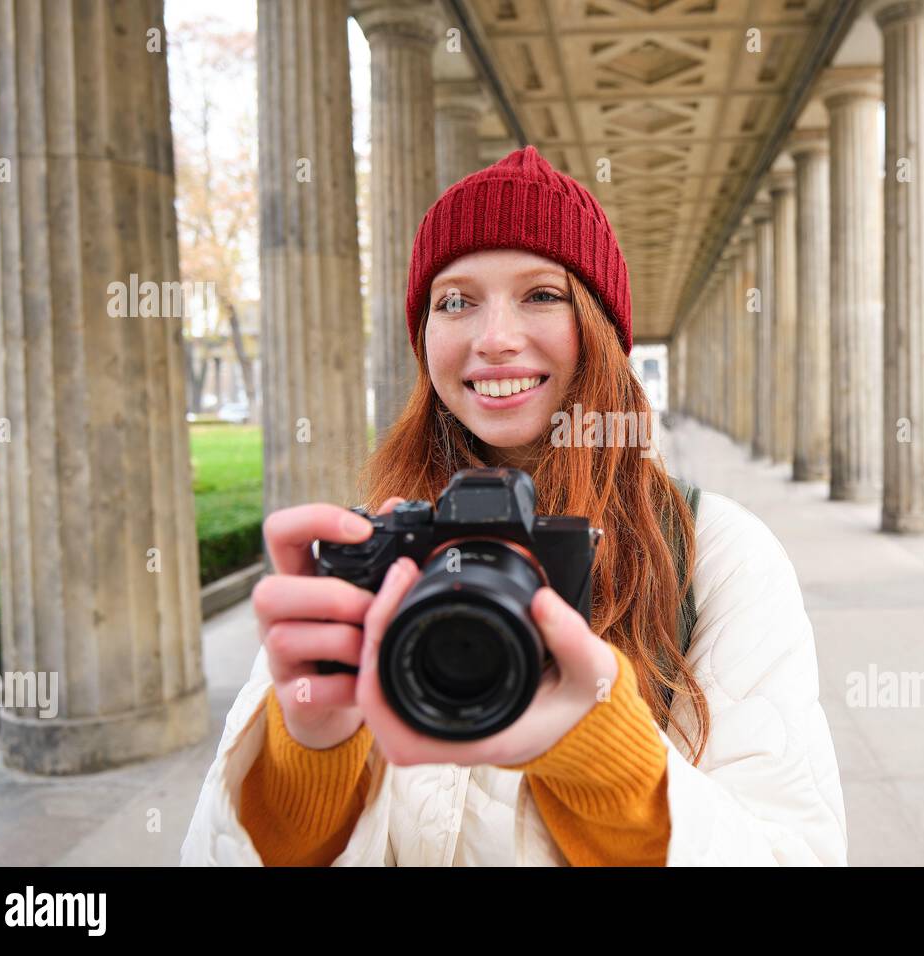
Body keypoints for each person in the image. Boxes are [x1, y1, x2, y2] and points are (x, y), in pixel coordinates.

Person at [181, 145, 848, 867]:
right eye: (456, 301)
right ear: (424, 336)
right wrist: (305, 757)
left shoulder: (715, 553)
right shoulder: (370, 552)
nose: (494, 339)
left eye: (541, 294)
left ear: (600, 327)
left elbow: (794, 852)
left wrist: (605, 755)